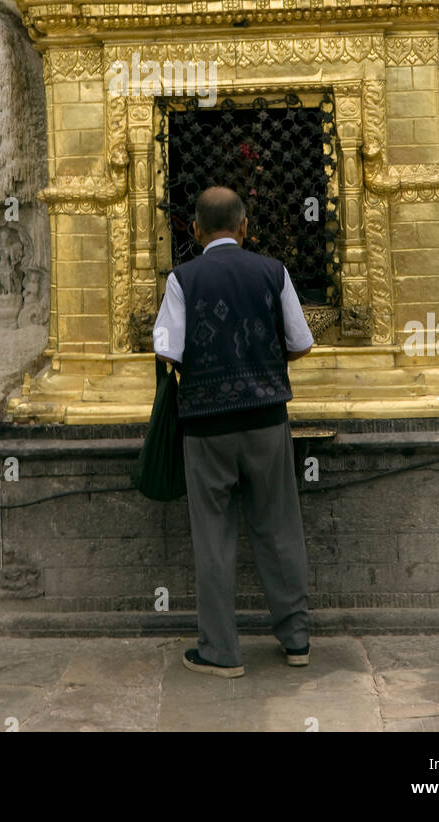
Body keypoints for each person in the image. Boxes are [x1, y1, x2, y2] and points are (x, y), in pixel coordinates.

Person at [153, 185, 314, 678]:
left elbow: (168, 352)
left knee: (214, 539)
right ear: (244, 227)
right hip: (267, 421)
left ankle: (222, 652)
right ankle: (296, 640)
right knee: (279, 528)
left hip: (207, 429)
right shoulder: (273, 271)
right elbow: (301, 343)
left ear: (193, 230)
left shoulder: (183, 278)